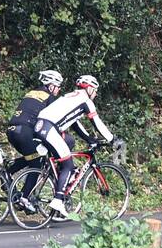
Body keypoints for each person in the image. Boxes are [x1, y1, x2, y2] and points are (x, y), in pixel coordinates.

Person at [34, 74, 115, 219]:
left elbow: (75, 124)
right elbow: (97, 123)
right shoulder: (85, 100)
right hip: (50, 129)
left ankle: (58, 184)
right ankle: (58, 200)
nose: (95, 94)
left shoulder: (70, 96)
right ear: (89, 88)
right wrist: (112, 139)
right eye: (95, 90)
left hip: (40, 125)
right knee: (68, 166)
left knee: (68, 146)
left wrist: (90, 139)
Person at [5, 69, 63, 210]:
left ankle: (8, 172)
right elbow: (52, 121)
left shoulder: (31, 93)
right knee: (36, 163)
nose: (59, 89)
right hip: (24, 131)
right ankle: (24, 198)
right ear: (51, 86)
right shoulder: (49, 98)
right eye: (58, 86)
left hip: (12, 130)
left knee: (32, 156)